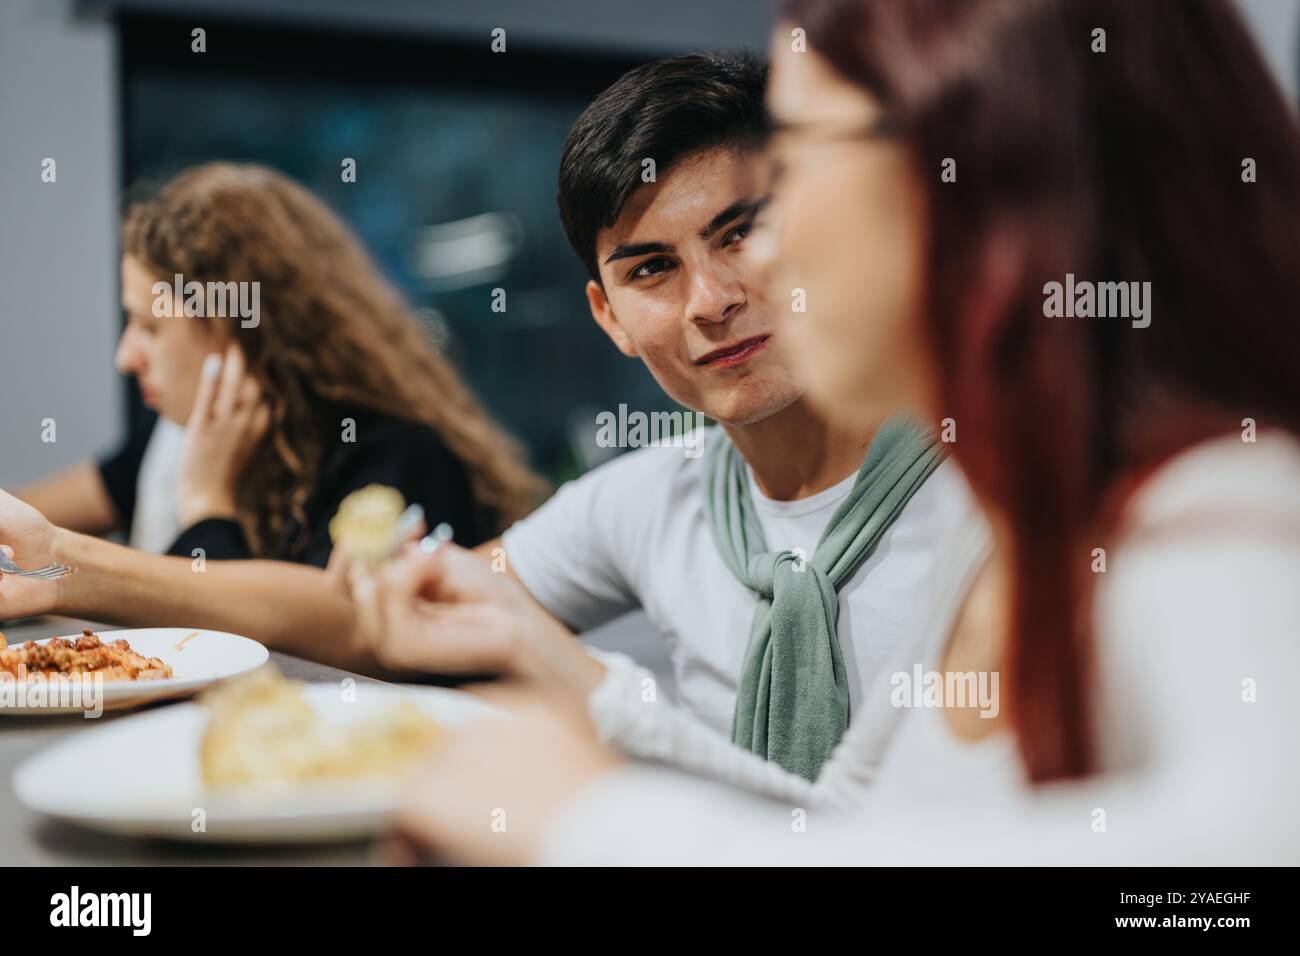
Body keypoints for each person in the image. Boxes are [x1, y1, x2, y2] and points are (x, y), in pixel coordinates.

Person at [378, 0, 1300, 865]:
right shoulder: (1006, 520)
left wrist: (594, 820)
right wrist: (569, 714)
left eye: (798, 166)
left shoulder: (1212, 507)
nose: (759, 261)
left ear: (977, 169)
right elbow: (848, 829)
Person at [0, 163, 544, 670]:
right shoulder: (174, 437)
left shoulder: (393, 458)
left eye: (151, 327)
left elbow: (257, 660)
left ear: (241, 332)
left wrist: (208, 508)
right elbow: (23, 519)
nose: (126, 355)